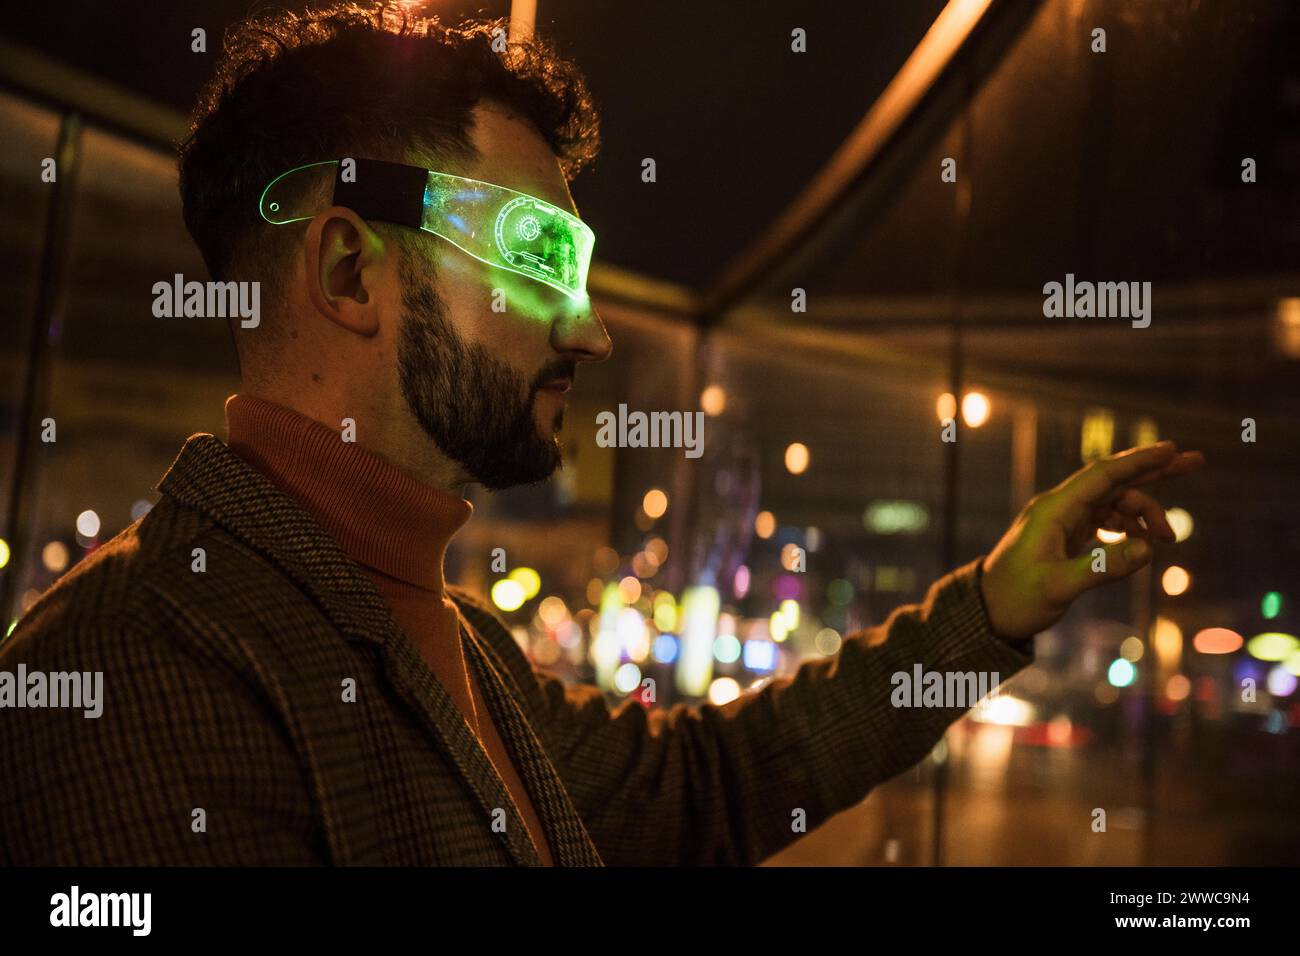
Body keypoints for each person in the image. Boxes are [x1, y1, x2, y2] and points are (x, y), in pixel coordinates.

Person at [0, 3, 1203, 866]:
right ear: (353, 266)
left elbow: (705, 786)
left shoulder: (457, 637)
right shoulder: (126, 670)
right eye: (534, 257)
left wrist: (989, 606)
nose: (591, 332)